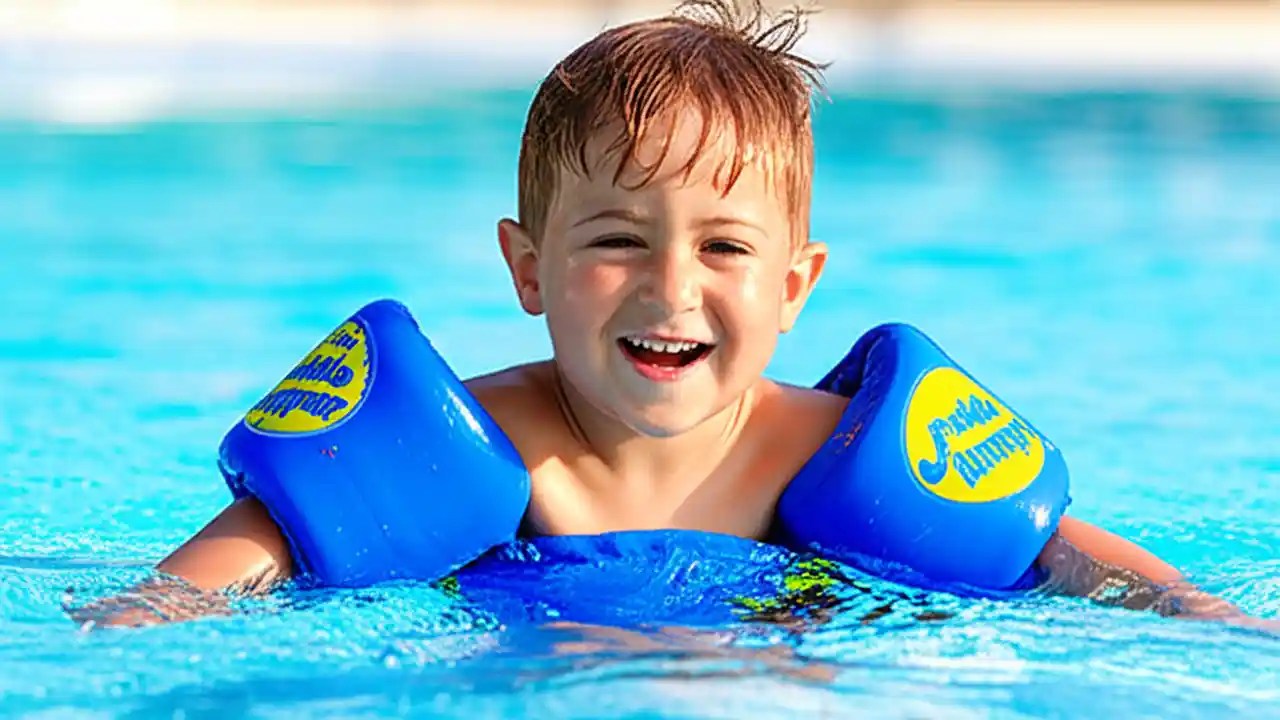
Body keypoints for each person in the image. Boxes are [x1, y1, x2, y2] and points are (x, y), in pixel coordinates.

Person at [77, 0, 1266, 630]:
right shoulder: (475, 449)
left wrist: (1205, 617)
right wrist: (138, 619)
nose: (669, 288)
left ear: (794, 286)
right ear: (527, 269)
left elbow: (1055, 554)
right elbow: (242, 560)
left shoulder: (829, 450)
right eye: (614, 242)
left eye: (723, 248)